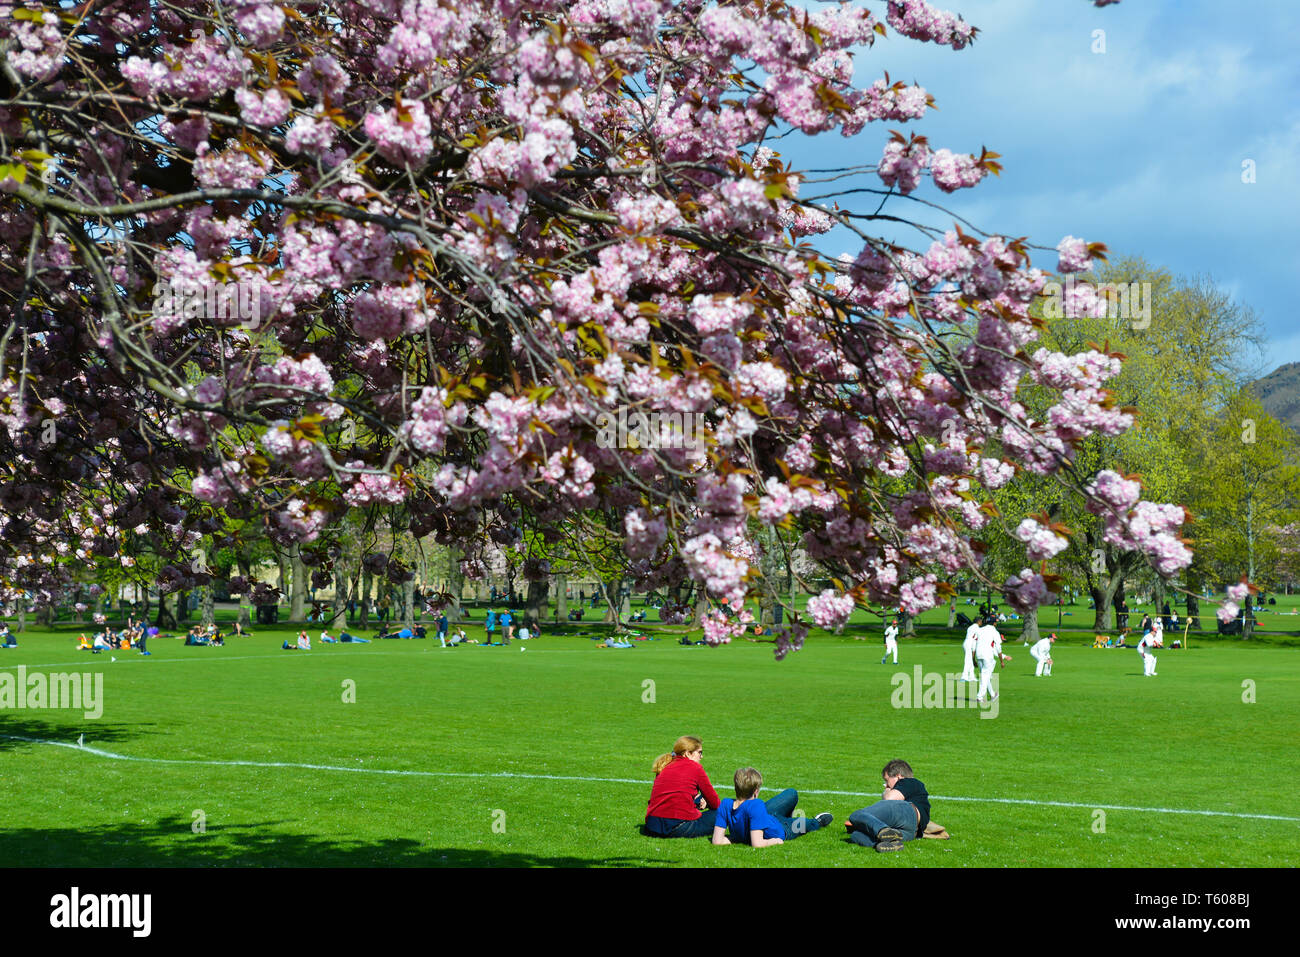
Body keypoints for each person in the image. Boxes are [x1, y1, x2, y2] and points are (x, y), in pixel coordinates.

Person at [712, 767, 832, 846]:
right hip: (783, 828)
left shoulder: (726, 803)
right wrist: (775, 841)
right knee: (806, 824)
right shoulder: (756, 805)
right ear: (756, 791)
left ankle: (788, 815)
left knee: (792, 793)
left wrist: (735, 838)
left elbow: (717, 841)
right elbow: (757, 843)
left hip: (767, 816)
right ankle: (817, 821)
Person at [845, 759, 931, 853]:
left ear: (898, 776)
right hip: (911, 832)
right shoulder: (915, 789)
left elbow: (889, 798)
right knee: (856, 836)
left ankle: (882, 830)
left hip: (905, 811)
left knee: (856, 815)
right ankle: (890, 843)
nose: (886, 785)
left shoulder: (908, 781)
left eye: (887, 780)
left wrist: (886, 791)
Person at [644, 736, 721, 839]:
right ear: (687, 753)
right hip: (676, 826)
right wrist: (706, 802)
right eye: (699, 753)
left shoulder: (665, 765)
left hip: (652, 825)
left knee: (698, 801)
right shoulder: (695, 768)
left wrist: (698, 800)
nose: (701, 757)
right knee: (725, 811)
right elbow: (715, 804)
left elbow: (671, 795)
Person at [974, 617, 1010, 704]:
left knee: (985, 676)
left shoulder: (980, 630)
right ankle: (979, 696)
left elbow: (974, 641)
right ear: (994, 623)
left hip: (979, 654)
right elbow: (998, 648)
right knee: (985, 676)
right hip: (987, 655)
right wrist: (1002, 661)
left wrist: (973, 657)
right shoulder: (995, 632)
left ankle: (993, 694)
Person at [960, 616, 981, 681]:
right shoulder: (978, 628)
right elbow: (975, 640)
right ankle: (964, 677)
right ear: (979, 621)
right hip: (970, 644)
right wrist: (974, 659)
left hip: (966, 643)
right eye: (981, 621)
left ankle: (972, 677)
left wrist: (973, 660)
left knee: (970, 660)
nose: (981, 623)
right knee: (968, 660)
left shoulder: (970, 627)